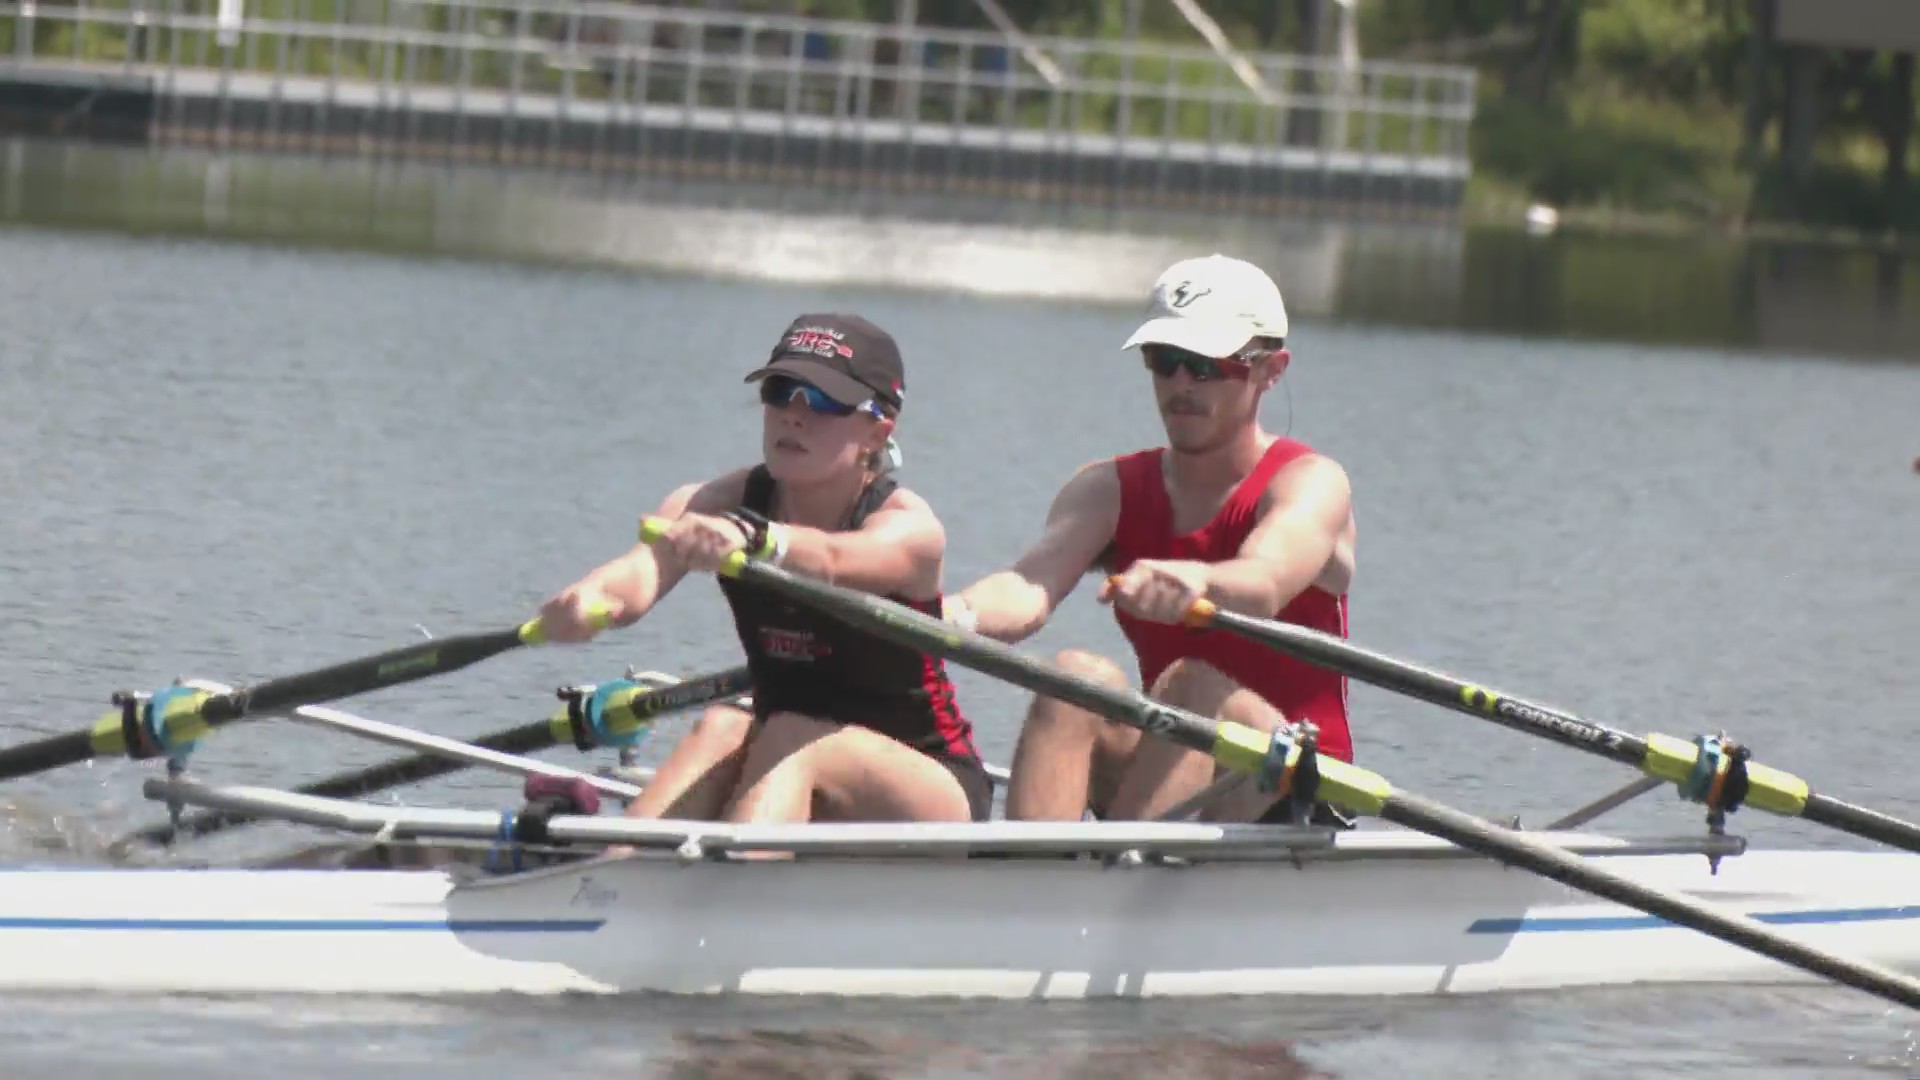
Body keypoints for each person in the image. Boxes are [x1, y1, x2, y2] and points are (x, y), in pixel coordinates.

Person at [943, 254, 1356, 826]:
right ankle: (1034, 873)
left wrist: (1200, 580)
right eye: (1164, 360)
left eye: (1206, 365)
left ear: (1271, 369)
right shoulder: (1107, 489)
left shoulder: (1310, 483)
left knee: (1190, 684)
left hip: (1296, 787)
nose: (1181, 384)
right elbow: (1027, 586)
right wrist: (948, 613)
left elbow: (1265, 579)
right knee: (1076, 677)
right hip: (1175, 768)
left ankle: (1118, 864)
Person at [534, 313, 993, 827]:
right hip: (790, 752)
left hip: (928, 782)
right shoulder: (715, 502)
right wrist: (590, 599)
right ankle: (620, 863)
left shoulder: (909, 528)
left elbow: (834, 559)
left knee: (792, 733)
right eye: (780, 391)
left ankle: (728, 869)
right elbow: (639, 575)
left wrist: (756, 537)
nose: (794, 416)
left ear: (877, 431)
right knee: (723, 726)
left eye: (823, 400)